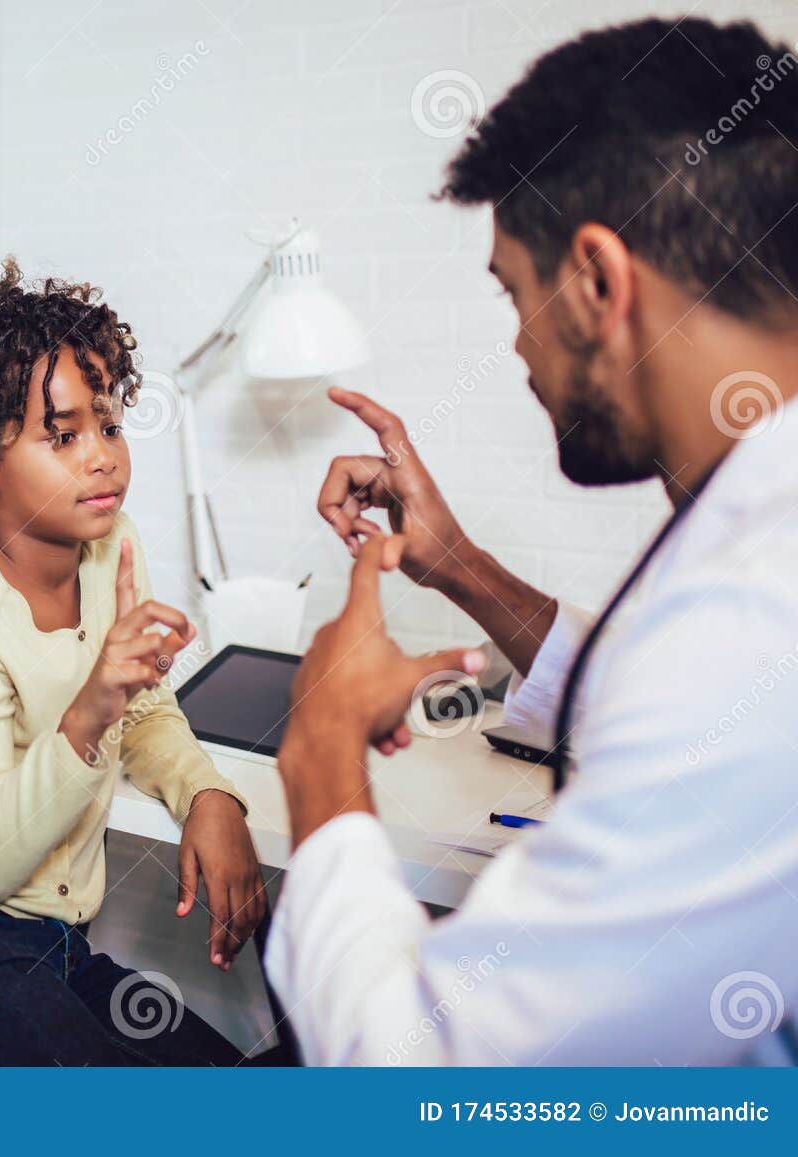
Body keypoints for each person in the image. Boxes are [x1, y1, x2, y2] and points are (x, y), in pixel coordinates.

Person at [264, 16, 798, 1064]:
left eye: (514, 292)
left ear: (598, 280)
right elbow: (660, 710)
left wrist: (320, 742)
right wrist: (453, 561)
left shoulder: (754, 615)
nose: (515, 343)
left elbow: (416, 1080)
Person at [0, 261, 265, 1065]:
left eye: (108, 423)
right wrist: (89, 708)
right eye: (61, 435)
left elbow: (142, 705)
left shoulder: (110, 543)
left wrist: (205, 791)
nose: (100, 456)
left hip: (47, 941)